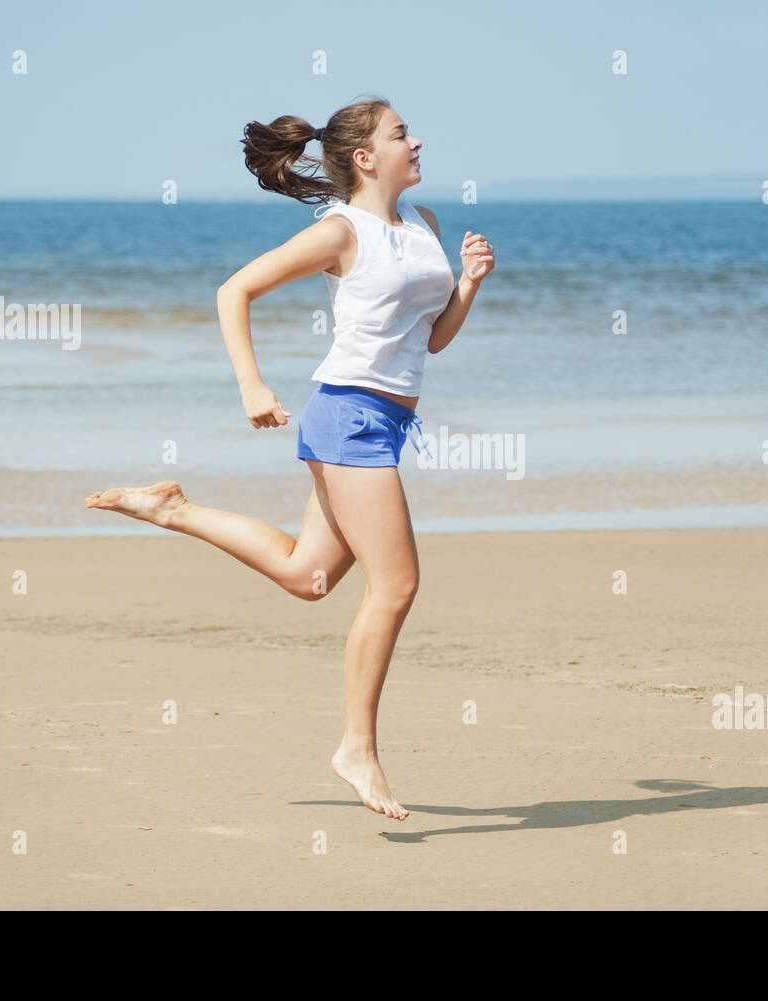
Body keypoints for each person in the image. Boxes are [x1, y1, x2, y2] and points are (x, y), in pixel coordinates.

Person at [85, 96, 495, 821]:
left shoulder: (425, 228)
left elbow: (430, 341)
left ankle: (170, 508)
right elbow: (234, 289)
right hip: (348, 418)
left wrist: (465, 286)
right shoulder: (342, 231)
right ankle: (356, 748)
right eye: (403, 133)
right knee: (396, 587)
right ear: (366, 157)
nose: (418, 139)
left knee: (308, 577)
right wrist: (252, 383)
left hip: (385, 420)